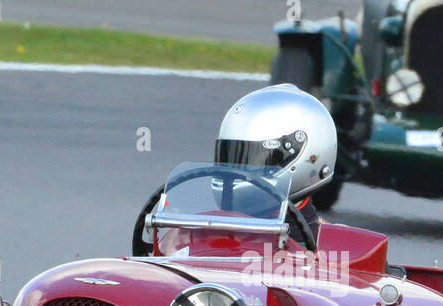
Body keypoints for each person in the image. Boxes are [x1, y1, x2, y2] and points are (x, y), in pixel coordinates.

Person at [131, 85, 337, 254]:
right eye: (231, 156)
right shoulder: (195, 231)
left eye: (254, 159)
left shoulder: (332, 250)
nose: (235, 172)